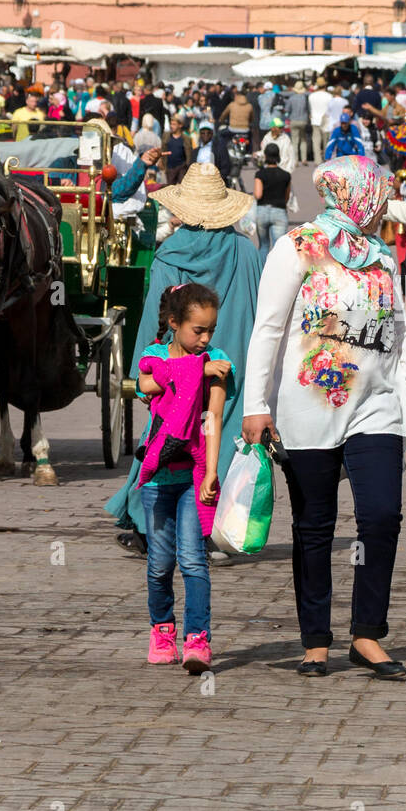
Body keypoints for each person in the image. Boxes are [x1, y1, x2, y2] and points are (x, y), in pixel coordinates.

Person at [241, 157, 406, 678]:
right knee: (314, 525)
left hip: (375, 406)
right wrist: (256, 405)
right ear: (360, 196)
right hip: (308, 406)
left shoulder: (381, 259)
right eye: (380, 196)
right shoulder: (296, 248)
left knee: (381, 516)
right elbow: (267, 328)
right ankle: (314, 639)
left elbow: (401, 332)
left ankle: (367, 635)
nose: (383, 207)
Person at [104, 165, 262, 545]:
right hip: (232, 366)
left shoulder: (170, 254)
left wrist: (147, 369)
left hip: (177, 369)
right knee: (220, 436)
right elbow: (262, 314)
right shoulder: (246, 251)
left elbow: (156, 319)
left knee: (165, 437)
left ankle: (149, 524)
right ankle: (214, 525)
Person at [135, 283, 229, 674]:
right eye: (197, 330)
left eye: (210, 330)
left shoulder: (218, 361)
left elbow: (214, 418)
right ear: (174, 324)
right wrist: (196, 369)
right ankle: (162, 630)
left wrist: (210, 470)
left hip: (193, 474)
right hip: (157, 475)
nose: (205, 339)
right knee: (159, 565)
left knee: (193, 560)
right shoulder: (153, 357)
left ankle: (197, 639)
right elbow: (145, 385)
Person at [253, 143, 292, 262]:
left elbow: (258, 194)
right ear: (278, 156)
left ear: (265, 156)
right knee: (278, 247)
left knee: (264, 246)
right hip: (279, 211)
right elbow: (286, 197)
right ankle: (276, 274)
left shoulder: (260, 174)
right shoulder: (286, 175)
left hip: (262, 211)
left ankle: (260, 274)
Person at [307, 81, 332, 163]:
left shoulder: (311, 96)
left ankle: (317, 160)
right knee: (326, 141)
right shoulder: (329, 96)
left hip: (315, 119)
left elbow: (311, 109)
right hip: (326, 119)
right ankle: (326, 158)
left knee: (316, 141)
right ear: (325, 85)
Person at [286, 81, 310, 164]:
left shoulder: (291, 98)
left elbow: (287, 110)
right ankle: (304, 159)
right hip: (303, 120)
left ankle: (295, 160)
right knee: (303, 140)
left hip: (294, 120)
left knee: (294, 141)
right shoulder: (305, 98)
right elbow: (308, 109)